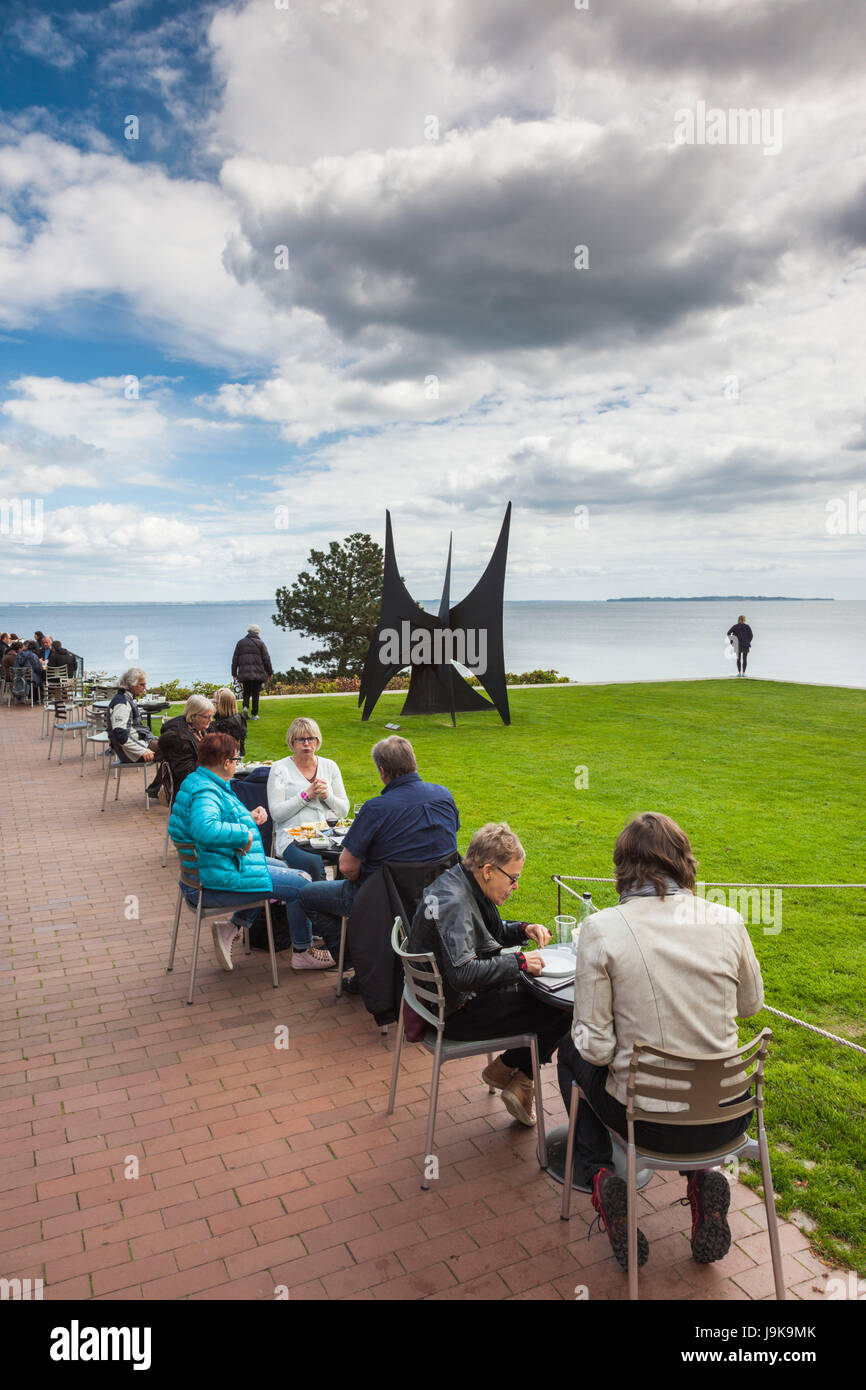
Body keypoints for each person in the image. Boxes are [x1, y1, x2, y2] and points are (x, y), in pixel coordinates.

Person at [556, 811, 764, 1272]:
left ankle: (600, 1177)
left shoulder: (602, 928)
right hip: (728, 1117)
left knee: (569, 1053)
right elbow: (751, 1005)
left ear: (621, 867)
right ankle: (701, 1177)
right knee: (683, 1075)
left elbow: (595, 1048)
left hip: (647, 1125)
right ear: (684, 861)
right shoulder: (727, 919)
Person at [408, 822, 567, 1127]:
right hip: (454, 1012)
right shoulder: (454, 902)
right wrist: (519, 963)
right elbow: (464, 975)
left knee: (552, 999)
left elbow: (484, 931)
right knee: (560, 1005)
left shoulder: (462, 881)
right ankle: (517, 1075)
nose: (516, 886)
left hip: (450, 999)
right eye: (514, 878)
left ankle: (510, 1070)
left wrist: (522, 930)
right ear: (489, 870)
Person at [168, 732, 332, 972]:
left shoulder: (198, 782)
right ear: (225, 763)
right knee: (301, 883)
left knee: (285, 869)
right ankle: (302, 952)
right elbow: (205, 828)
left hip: (210, 868)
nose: (237, 763)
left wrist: (247, 818)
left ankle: (233, 926)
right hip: (213, 880)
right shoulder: (207, 791)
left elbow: (212, 820)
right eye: (235, 759)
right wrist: (244, 834)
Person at [298, 735, 459, 976]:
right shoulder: (443, 796)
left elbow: (347, 868)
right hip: (437, 894)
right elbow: (451, 834)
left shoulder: (376, 808)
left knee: (306, 895)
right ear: (414, 762)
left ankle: (354, 961)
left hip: (382, 900)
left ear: (382, 771)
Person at [268, 717, 349, 884]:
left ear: (317, 740)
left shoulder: (330, 766)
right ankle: (317, 904)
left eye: (311, 738)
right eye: (301, 739)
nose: (307, 743)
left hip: (328, 834)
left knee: (355, 856)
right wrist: (306, 796)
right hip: (293, 836)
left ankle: (338, 900)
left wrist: (327, 796)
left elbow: (343, 810)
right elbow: (277, 814)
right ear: (292, 741)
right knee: (311, 862)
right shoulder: (279, 768)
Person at [106, 670, 160, 795]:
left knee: (172, 742)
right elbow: (120, 734)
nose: (145, 688)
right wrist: (142, 750)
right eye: (142, 685)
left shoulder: (125, 698)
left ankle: (160, 788)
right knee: (174, 748)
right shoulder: (122, 703)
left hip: (138, 745)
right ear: (131, 684)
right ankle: (160, 790)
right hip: (129, 753)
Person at [157, 694, 215, 798]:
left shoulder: (203, 729)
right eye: (207, 717)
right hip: (189, 790)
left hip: (204, 780)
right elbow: (186, 773)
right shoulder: (179, 739)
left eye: (211, 716)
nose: (211, 720)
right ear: (193, 716)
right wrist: (215, 762)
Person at [230, 624, 273, 721]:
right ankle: (254, 714)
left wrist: (234, 673)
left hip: (244, 673)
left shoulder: (240, 643)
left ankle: (245, 707)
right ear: (257, 632)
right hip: (258, 673)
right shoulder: (261, 643)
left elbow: (235, 659)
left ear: (248, 632)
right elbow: (266, 659)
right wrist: (270, 672)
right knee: (255, 694)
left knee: (246, 691)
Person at [210, 687, 247, 755]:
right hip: (235, 754)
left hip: (226, 758)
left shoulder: (224, 725)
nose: (213, 705)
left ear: (221, 705)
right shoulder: (238, 718)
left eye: (215, 702)